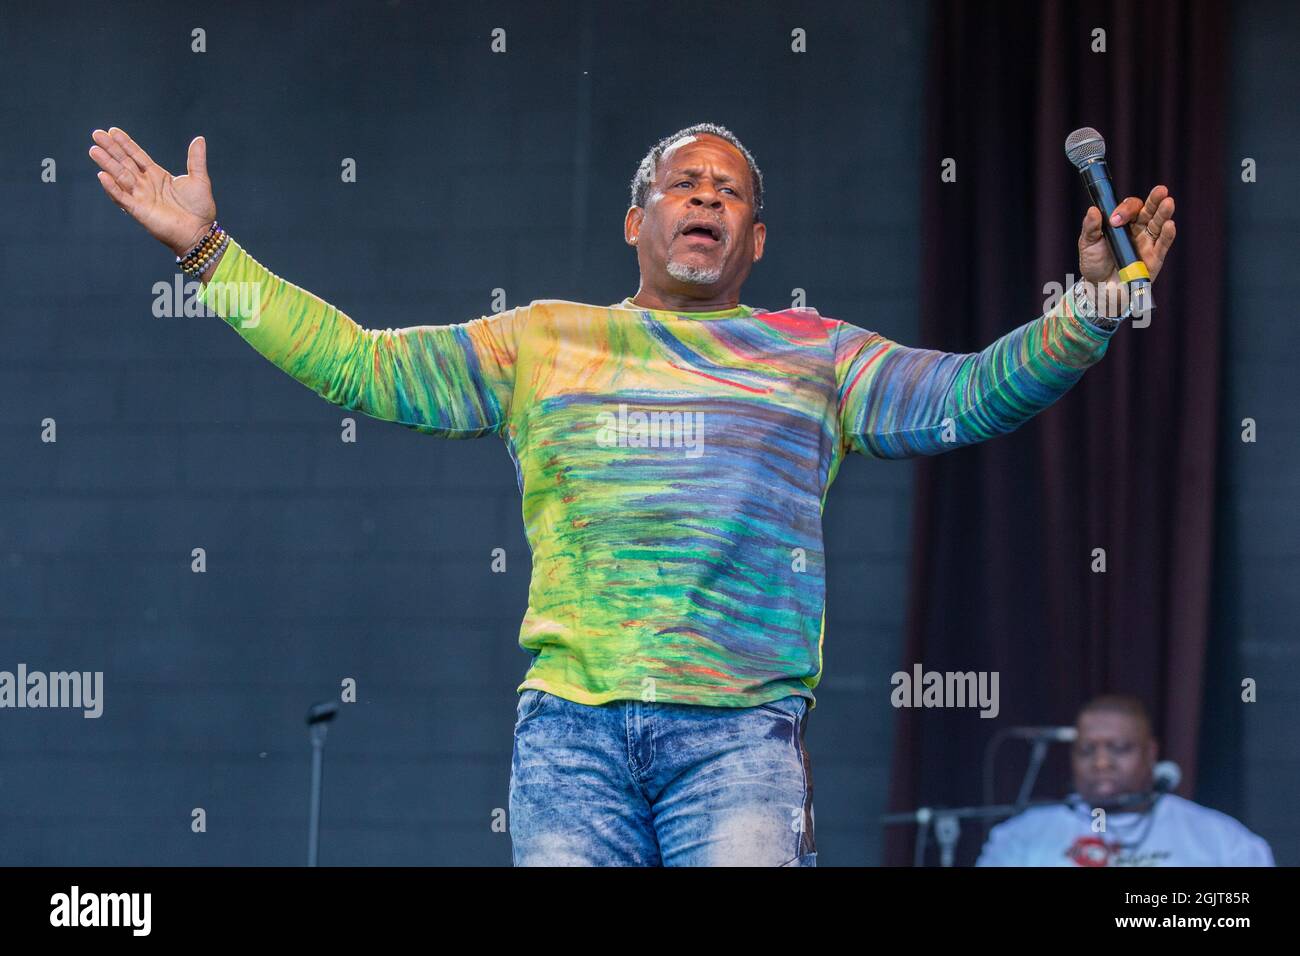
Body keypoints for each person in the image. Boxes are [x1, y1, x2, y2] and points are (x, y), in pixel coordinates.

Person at [88, 121, 1177, 866]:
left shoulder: (812, 355)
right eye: (680, 183)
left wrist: (1086, 307)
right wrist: (209, 256)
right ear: (634, 222)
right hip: (571, 731)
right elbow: (361, 365)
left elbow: (970, 396)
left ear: (754, 240)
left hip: (741, 733)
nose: (704, 196)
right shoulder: (547, 337)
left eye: (730, 192)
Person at [977, 694, 1274, 866]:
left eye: (1119, 749)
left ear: (1150, 753)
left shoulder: (1221, 841)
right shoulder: (1023, 836)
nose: (1101, 762)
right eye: (1087, 750)